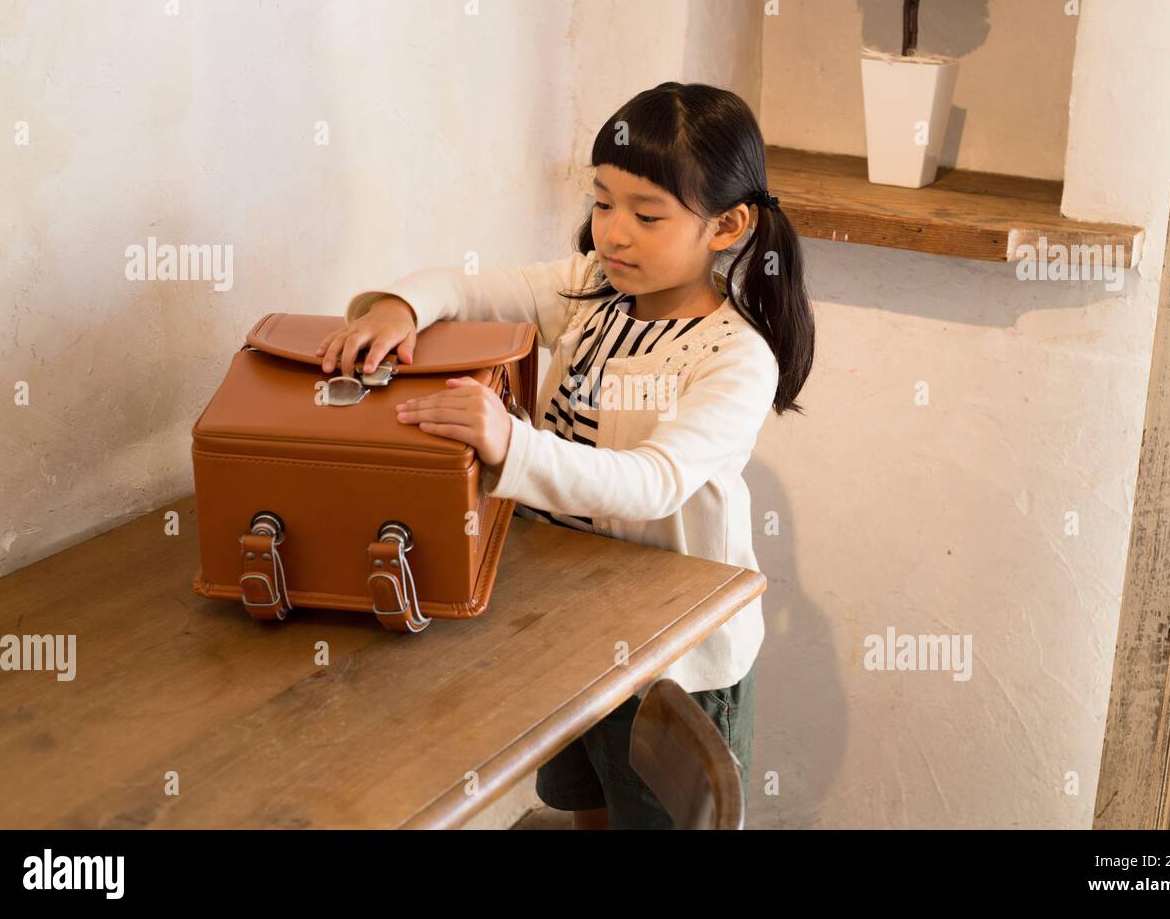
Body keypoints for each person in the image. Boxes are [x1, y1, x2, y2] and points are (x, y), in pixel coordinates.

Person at [317, 81, 816, 829]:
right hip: (570, 637)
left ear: (728, 225)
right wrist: (399, 307)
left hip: (669, 662)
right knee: (585, 804)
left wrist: (508, 443)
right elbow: (466, 286)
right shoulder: (588, 291)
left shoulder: (733, 359)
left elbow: (652, 484)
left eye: (647, 215)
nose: (613, 234)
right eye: (602, 202)